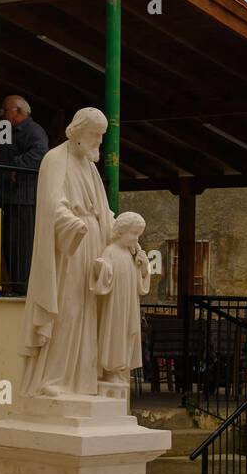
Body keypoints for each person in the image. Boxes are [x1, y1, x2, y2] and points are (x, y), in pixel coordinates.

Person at [17, 107, 114, 399]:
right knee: (67, 310)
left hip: (92, 245)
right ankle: (53, 378)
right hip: (68, 249)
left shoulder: (89, 166)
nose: (99, 141)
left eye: (101, 136)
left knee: (88, 312)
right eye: (95, 135)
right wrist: (72, 224)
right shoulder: (55, 160)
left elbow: (101, 208)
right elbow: (51, 205)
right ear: (79, 131)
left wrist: (119, 232)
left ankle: (82, 380)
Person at [0, 95, 48, 295]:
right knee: (9, 244)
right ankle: (16, 286)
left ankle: (23, 289)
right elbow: (2, 155)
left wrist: (15, 167)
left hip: (23, 199)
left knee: (21, 246)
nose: (1, 114)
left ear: (17, 112)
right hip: (9, 197)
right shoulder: (8, 132)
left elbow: (40, 154)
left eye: (4, 110)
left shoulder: (34, 131)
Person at [91, 212, 151, 389]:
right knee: (115, 333)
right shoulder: (111, 251)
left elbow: (140, 286)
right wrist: (102, 268)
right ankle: (110, 370)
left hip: (129, 303)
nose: (136, 238)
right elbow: (103, 274)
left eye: (138, 235)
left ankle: (118, 370)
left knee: (126, 333)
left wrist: (144, 267)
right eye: (133, 234)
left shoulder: (130, 255)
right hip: (116, 304)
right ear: (121, 231)